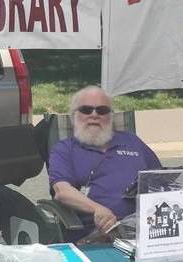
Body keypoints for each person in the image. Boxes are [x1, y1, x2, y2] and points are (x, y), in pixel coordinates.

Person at [48, 85, 162, 241]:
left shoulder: (131, 141)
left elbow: (162, 179)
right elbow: (62, 191)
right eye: (86, 110)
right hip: (97, 233)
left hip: (147, 228)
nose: (94, 115)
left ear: (110, 116)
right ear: (74, 115)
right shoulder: (65, 149)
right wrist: (97, 209)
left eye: (102, 111)